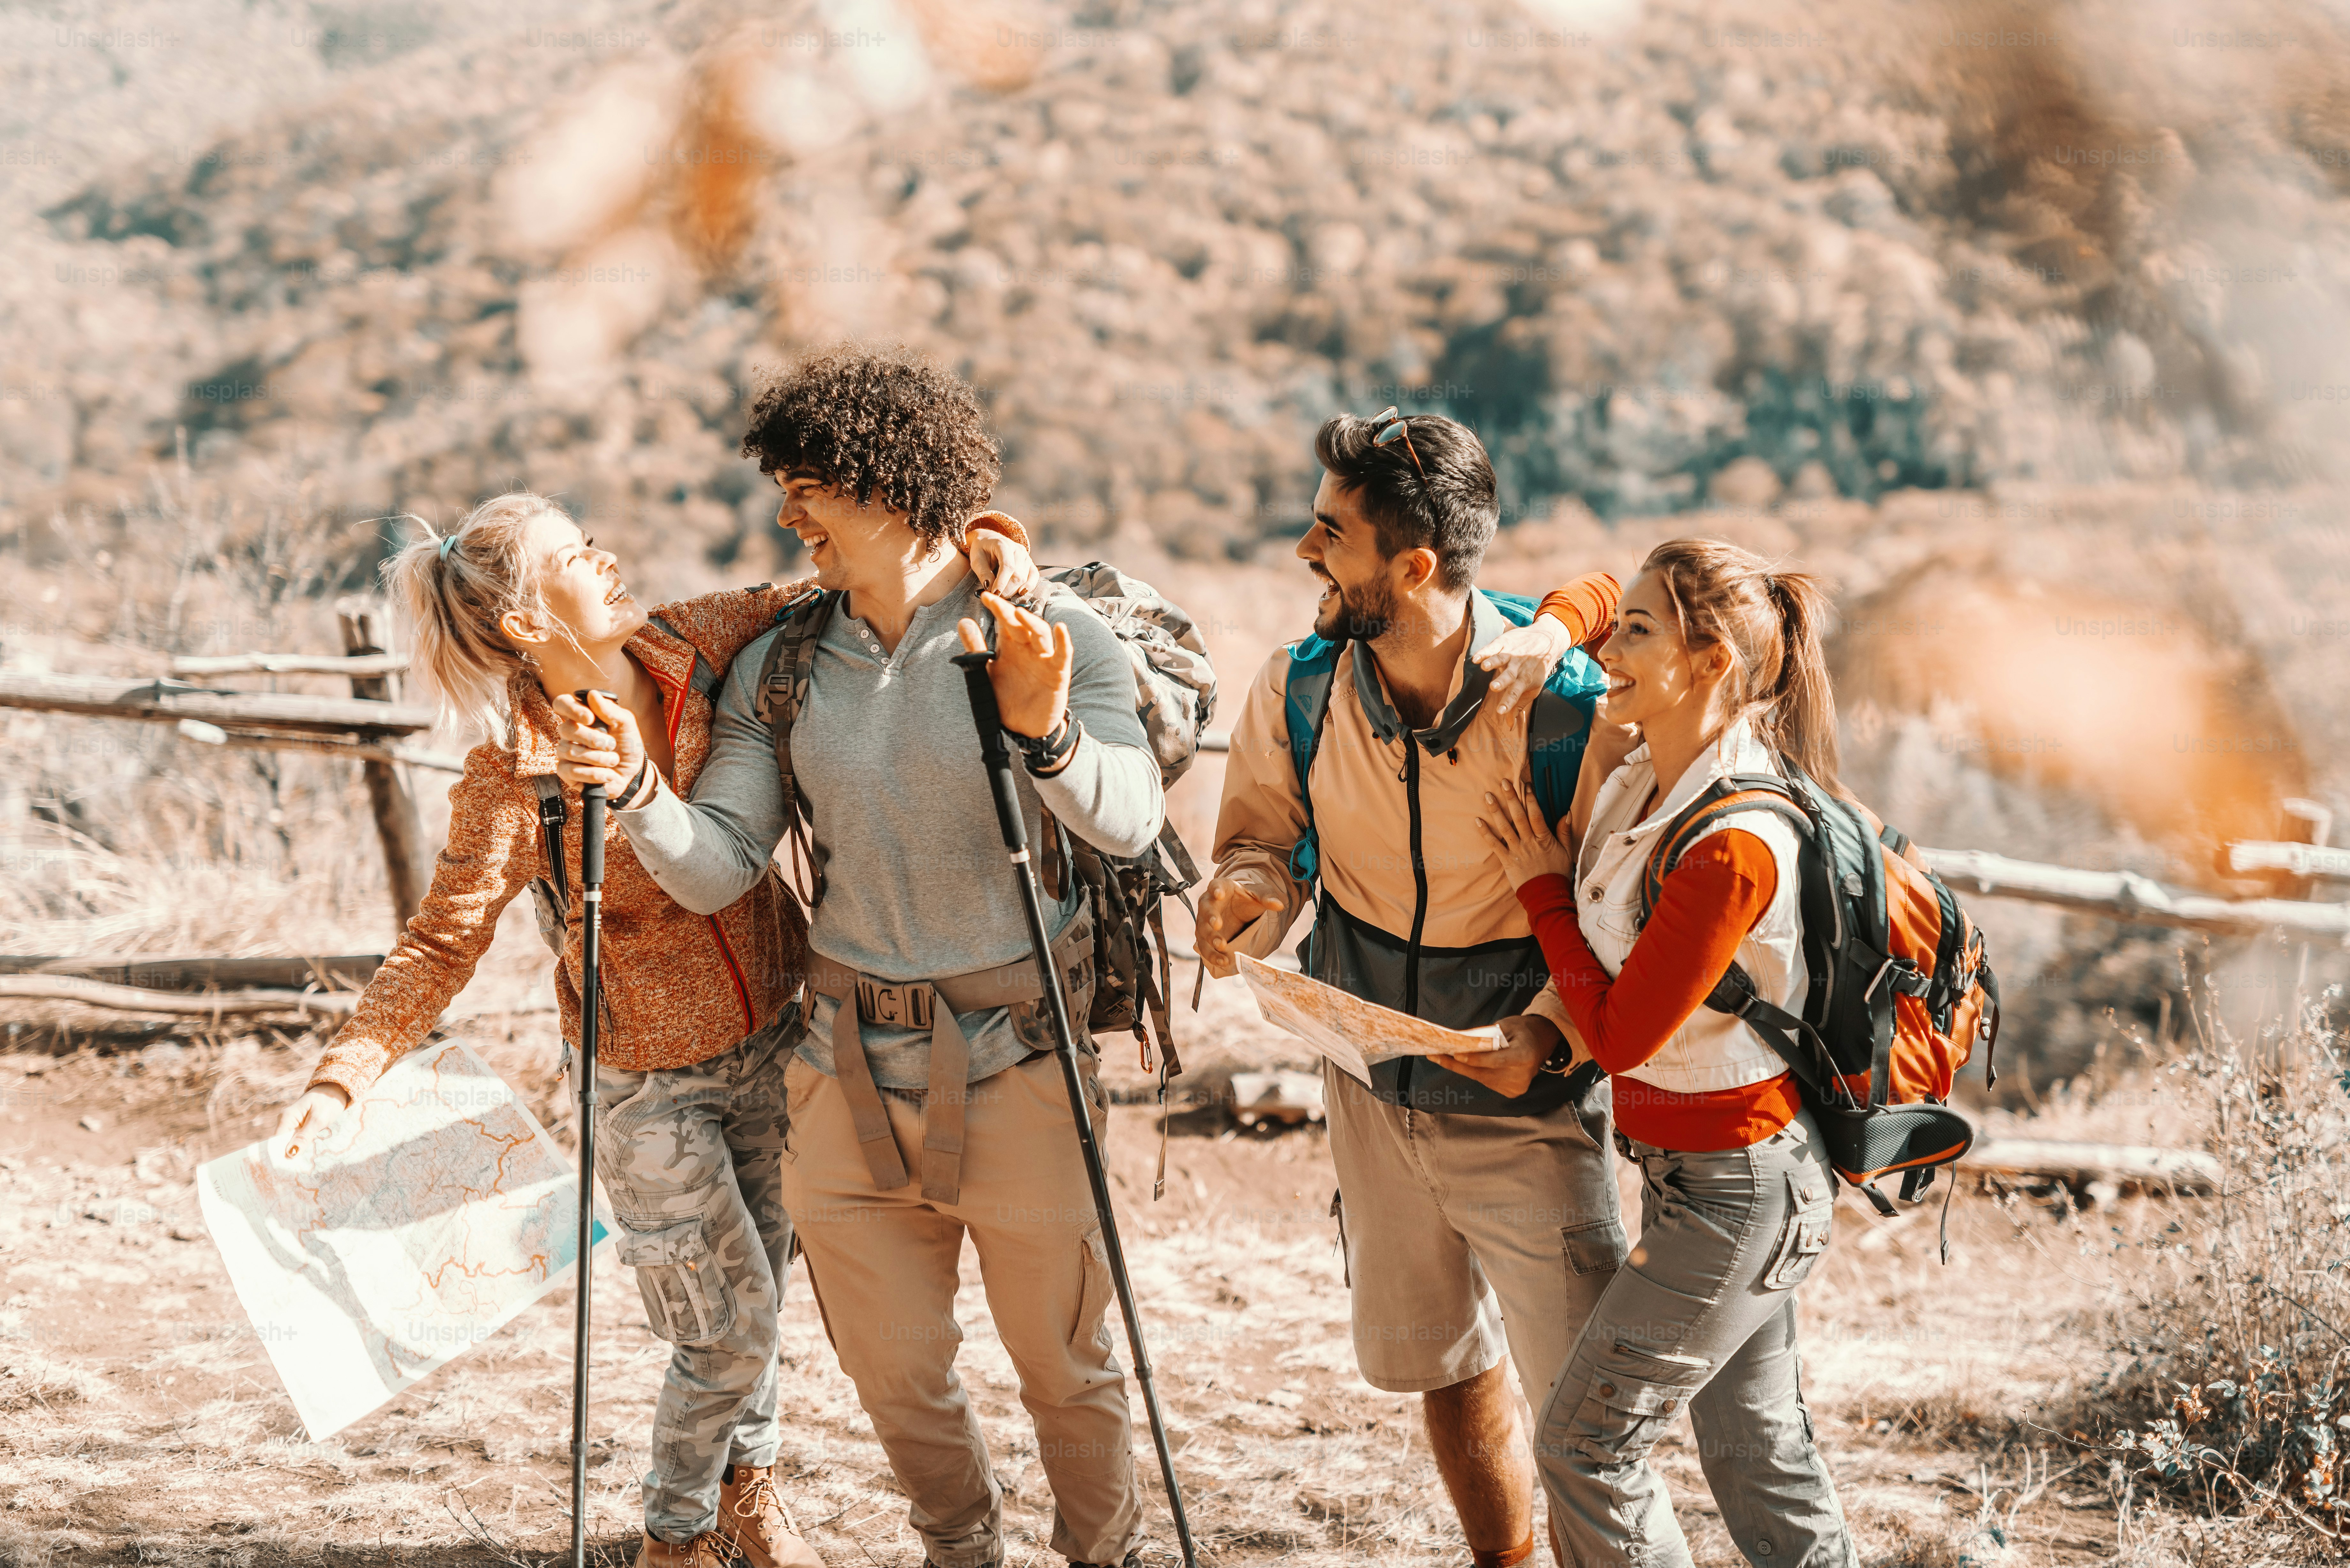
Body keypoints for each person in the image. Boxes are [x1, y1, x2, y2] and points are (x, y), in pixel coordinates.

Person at [269, 489, 1039, 1568]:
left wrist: (979, 541)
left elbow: (836, 580)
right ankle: (671, 1540)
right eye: (579, 555)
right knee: (723, 1332)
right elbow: (443, 941)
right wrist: (344, 1075)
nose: (611, 557)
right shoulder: (513, 779)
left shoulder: (695, 642)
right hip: (644, 1088)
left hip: (777, 1039)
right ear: (532, 623)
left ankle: (749, 1496)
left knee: (759, 1299)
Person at [554, 347, 1165, 1568]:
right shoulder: (783, 669)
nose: (786, 518)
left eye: (805, 488)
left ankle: (1106, 1557)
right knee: (892, 1371)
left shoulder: (1045, 637)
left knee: (1066, 1367)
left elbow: (1133, 816)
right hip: (840, 1073)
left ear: (886, 487)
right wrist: (632, 786)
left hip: (1023, 1066)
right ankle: (960, 1550)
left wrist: (1044, 734)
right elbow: (722, 859)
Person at [1195, 408, 1626, 1568]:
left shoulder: (1567, 707)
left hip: (1535, 1104)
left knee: (1589, 1408)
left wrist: (1544, 1034)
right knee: (1442, 1355)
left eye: (1329, 532)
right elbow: (1264, 843)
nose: (1303, 551)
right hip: (1372, 1088)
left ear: (1414, 566)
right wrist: (1246, 897)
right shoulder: (1296, 688)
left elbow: (1622, 921)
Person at [1476, 538, 1859, 1568]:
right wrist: (1565, 623)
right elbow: (1595, 596)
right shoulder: (1649, 771)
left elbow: (1622, 1037)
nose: (1612, 650)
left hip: (1742, 1193)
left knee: (1586, 1448)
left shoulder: (1733, 839)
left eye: (1640, 634)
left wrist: (1542, 888)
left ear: (1709, 664)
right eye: (1622, 627)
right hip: (1705, 1183)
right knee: (1754, 1457)